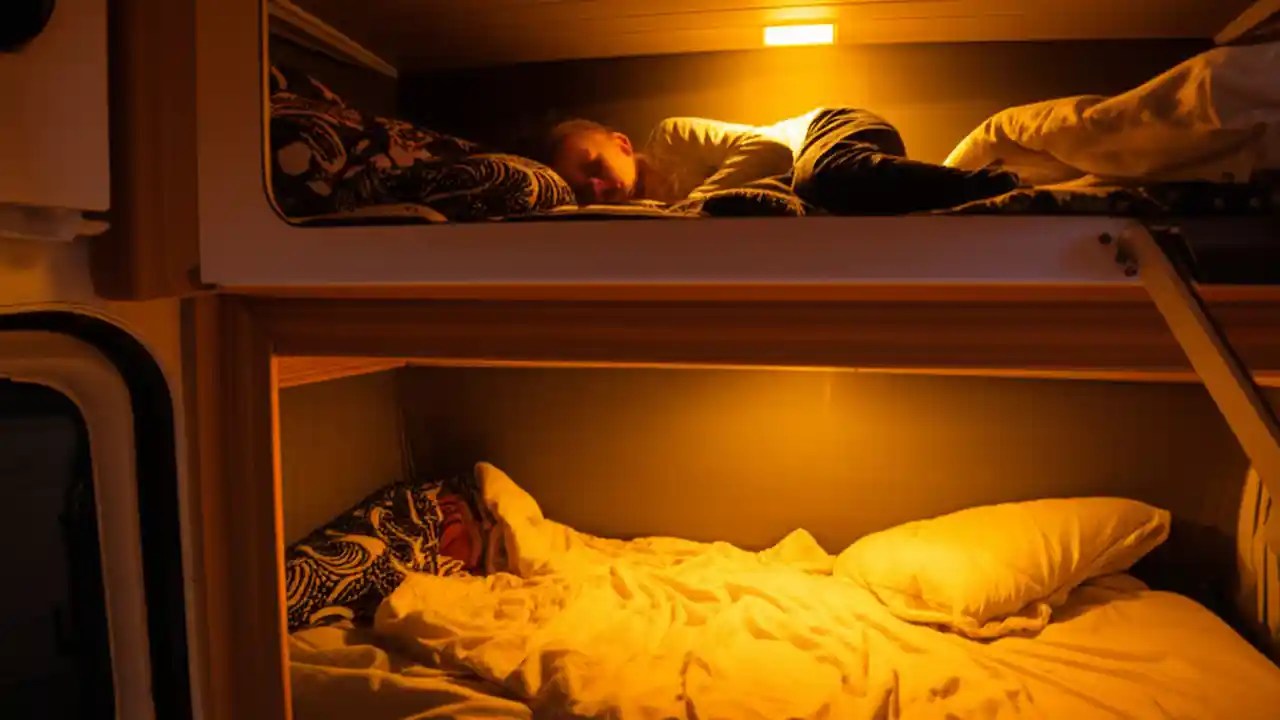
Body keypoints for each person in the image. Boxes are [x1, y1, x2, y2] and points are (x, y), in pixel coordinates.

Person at [544, 108, 1022, 214]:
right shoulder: (636, 216)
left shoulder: (671, 137)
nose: (598, 189)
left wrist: (695, 202)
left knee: (827, 176)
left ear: (623, 145)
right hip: (826, 176)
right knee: (841, 198)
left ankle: (994, 185)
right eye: (584, 189)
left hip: (829, 129)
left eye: (595, 168)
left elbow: (770, 151)